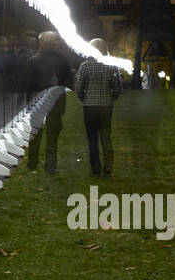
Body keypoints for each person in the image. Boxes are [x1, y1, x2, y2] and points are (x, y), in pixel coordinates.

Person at [26, 30, 74, 174]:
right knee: (52, 136)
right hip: (56, 102)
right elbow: (68, 84)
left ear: (40, 43)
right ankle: (50, 166)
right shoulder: (63, 61)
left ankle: (32, 164)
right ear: (54, 44)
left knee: (35, 134)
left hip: (37, 102)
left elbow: (27, 84)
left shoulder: (32, 61)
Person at [74, 37, 122, 177]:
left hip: (90, 106)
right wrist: (111, 98)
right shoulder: (112, 65)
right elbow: (117, 87)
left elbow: (79, 88)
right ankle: (108, 164)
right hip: (106, 105)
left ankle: (95, 168)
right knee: (106, 136)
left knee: (92, 138)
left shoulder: (85, 66)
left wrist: (84, 98)